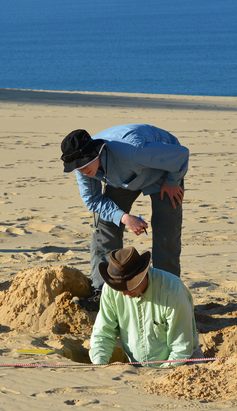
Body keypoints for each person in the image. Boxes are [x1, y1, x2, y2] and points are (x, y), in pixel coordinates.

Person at [60, 124, 189, 310]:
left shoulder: (134, 151)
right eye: (76, 167)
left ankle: (167, 292)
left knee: (166, 230)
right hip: (123, 178)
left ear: (97, 152)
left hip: (162, 169)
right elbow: (94, 202)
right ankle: (103, 293)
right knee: (104, 223)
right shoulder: (84, 170)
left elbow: (181, 155)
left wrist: (172, 181)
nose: (81, 170)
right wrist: (124, 218)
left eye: (85, 164)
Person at [89, 246, 202, 367]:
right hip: (137, 369)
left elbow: (181, 348)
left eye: (129, 286)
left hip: (182, 362)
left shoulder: (172, 291)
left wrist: (157, 375)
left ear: (142, 274)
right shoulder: (110, 290)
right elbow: (103, 334)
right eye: (119, 287)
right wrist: (99, 366)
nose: (123, 293)